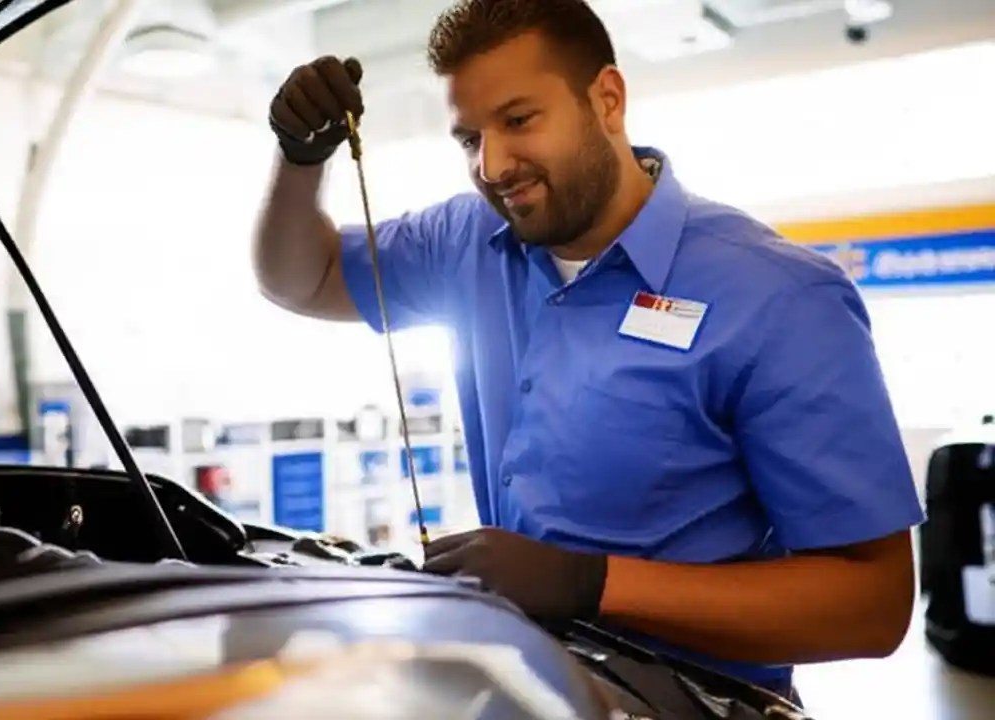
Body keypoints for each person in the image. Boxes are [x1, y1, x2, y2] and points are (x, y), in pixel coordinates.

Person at [251, 0, 923, 699]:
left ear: (607, 99)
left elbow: (871, 606)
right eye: (467, 138)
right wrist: (301, 160)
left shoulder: (779, 297)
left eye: (518, 120)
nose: (493, 165)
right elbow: (302, 280)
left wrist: (592, 583)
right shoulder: (467, 240)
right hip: (527, 686)